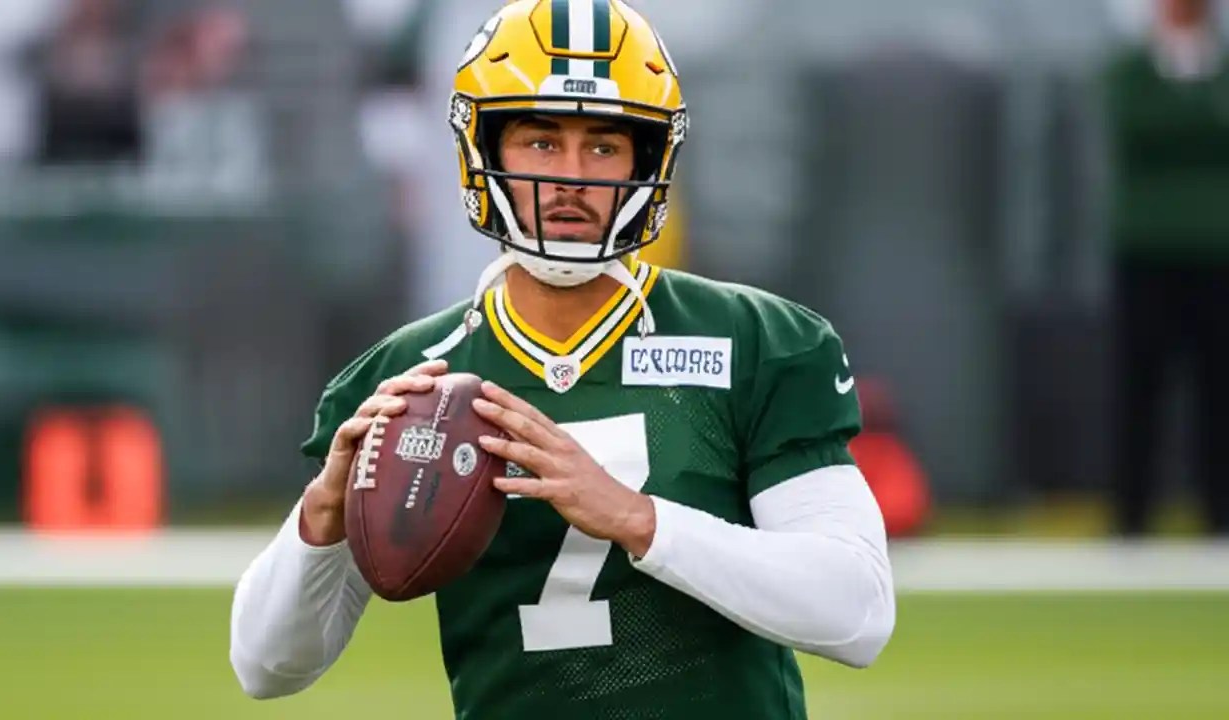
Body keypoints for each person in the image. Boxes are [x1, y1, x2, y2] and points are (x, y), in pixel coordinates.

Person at [230, 1, 895, 717]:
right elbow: (267, 666)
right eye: (541, 144)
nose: (573, 176)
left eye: (604, 146)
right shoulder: (410, 375)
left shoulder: (756, 341)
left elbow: (855, 613)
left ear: (649, 158)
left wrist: (640, 520)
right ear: (484, 150)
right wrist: (322, 515)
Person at [1104, 0, 1229, 536]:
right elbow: (1138, 125)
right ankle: (1132, 516)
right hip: (1146, 253)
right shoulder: (1131, 69)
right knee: (1139, 384)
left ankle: (1218, 511)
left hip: (1216, 254)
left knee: (1218, 387)